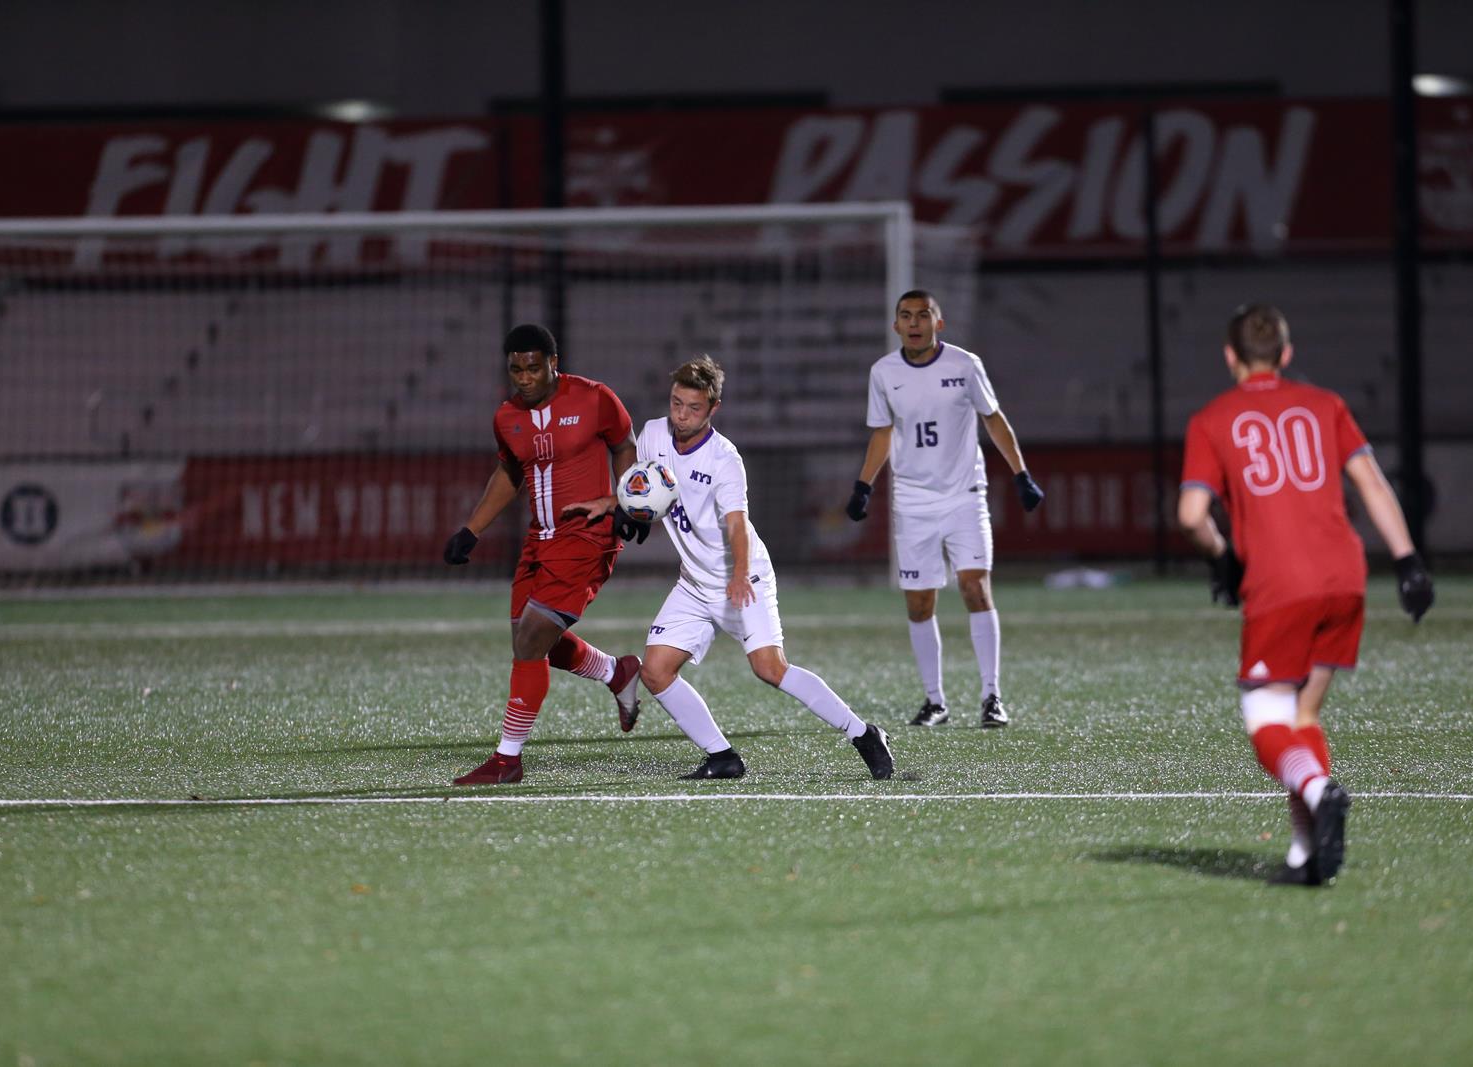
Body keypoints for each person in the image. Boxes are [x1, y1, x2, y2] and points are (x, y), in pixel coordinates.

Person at [1177, 304, 1435, 885]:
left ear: (1230, 356)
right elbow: (1370, 481)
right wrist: (1408, 561)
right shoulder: (1326, 405)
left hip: (1279, 582)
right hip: (1344, 577)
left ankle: (1320, 791)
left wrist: (1221, 557)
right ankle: (1305, 853)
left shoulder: (1213, 418)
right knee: (1303, 713)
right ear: (1287, 354)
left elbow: (1191, 514)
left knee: (1264, 715)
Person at [637, 356, 894, 780]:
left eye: (693, 408)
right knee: (656, 670)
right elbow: (639, 484)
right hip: (693, 583)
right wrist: (617, 507)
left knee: (770, 668)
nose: (681, 415)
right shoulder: (652, 435)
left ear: (714, 408)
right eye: (676, 403)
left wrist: (738, 574)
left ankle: (863, 733)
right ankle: (722, 756)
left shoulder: (724, 460)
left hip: (744, 577)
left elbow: (736, 524)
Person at [443, 323, 652, 785]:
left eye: (533, 368)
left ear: (554, 364)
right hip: (539, 540)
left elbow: (625, 445)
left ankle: (507, 760)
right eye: (516, 369)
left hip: (587, 536)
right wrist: (471, 529)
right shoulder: (505, 417)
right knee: (534, 640)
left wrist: (628, 503)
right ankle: (617, 672)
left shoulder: (595, 398)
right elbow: (509, 473)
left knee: (530, 641)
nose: (524, 377)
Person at [845, 289, 1043, 729]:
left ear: (940, 322)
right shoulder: (884, 373)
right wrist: (864, 485)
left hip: (963, 495)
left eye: (923, 315)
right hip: (913, 501)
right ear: (896, 325)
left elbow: (993, 417)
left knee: (975, 588)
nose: (914, 323)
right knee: (919, 603)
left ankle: (992, 696)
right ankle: (935, 701)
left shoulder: (964, 364)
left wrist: (1020, 474)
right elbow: (881, 433)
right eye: (906, 316)